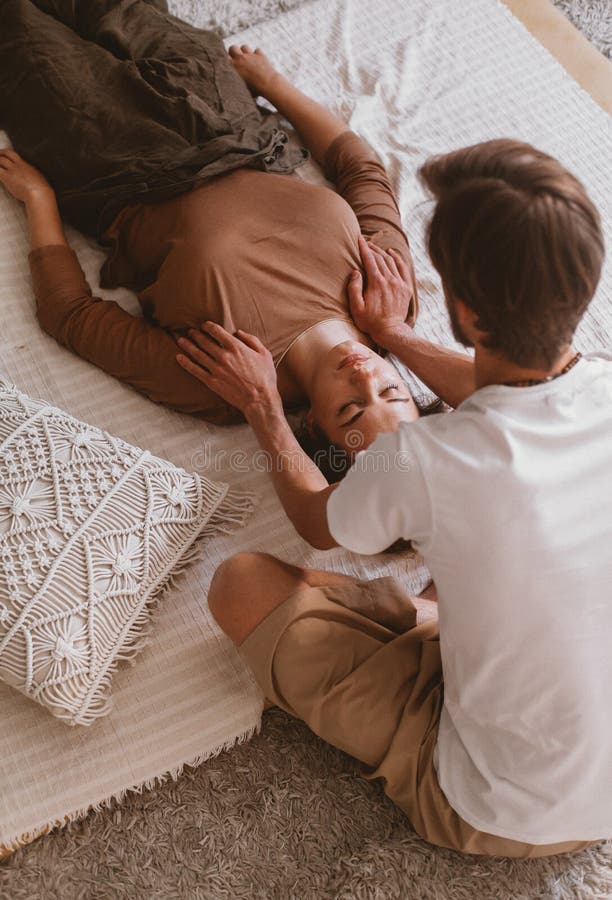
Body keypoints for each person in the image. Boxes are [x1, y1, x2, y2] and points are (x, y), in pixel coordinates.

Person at [178, 138, 612, 857]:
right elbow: (515, 393)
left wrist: (265, 409)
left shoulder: (423, 458)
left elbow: (318, 524)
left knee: (241, 584)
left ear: (466, 313)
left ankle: (426, 614)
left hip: (498, 809)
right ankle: (433, 612)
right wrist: (393, 336)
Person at [0, 0, 420, 452]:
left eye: (351, 409)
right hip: (221, 108)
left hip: (109, 154)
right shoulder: (389, 299)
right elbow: (359, 169)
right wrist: (271, 84)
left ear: (315, 426)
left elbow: (69, 314)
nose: (364, 376)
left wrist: (38, 200)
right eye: (391, 390)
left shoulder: (226, 384)